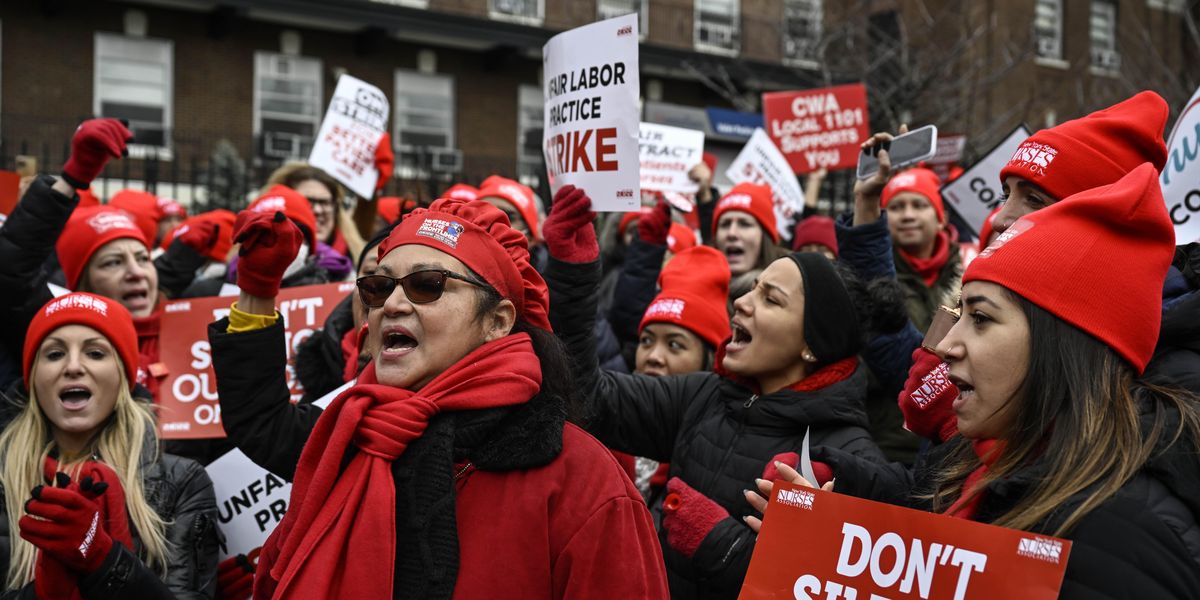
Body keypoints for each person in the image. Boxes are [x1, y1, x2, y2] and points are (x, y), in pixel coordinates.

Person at [751, 164, 1200, 596]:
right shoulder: (979, 462)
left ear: (1059, 346)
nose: (947, 346)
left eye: (981, 318)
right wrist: (836, 513)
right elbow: (923, 519)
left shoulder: (1119, 539)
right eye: (959, 314)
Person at [208, 197, 668, 598]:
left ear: (497, 321)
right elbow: (263, 422)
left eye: (427, 285)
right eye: (378, 287)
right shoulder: (355, 432)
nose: (391, 305)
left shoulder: (582, 480)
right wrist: (257, 290)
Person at [542, 184, 893, 599]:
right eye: (753, 288)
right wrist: (573, 274)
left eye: (770, 299)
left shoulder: (849, 459)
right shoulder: (704, 395)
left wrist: (721, 545)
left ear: (813, 344)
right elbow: (588, 397)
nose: (741, 302)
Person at [0, 292, 220, 598]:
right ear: (33, 379)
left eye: (95, 353)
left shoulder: (181, 481)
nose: (73, 366)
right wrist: (47, 589)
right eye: (54, 354)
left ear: (123, 377)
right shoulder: (3, 479)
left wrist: (101, 558)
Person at [879, 167, 961, 331]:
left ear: (941, 219)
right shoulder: (875, 277)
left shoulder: (965, 274)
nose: (908, 215)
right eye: (895, 207)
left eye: (919, 205)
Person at [711, 183, 789, 281]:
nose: (732, 233)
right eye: (725, 224)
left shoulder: (793, 289)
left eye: (745, 224)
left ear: (765, 237)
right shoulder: (697, 287)